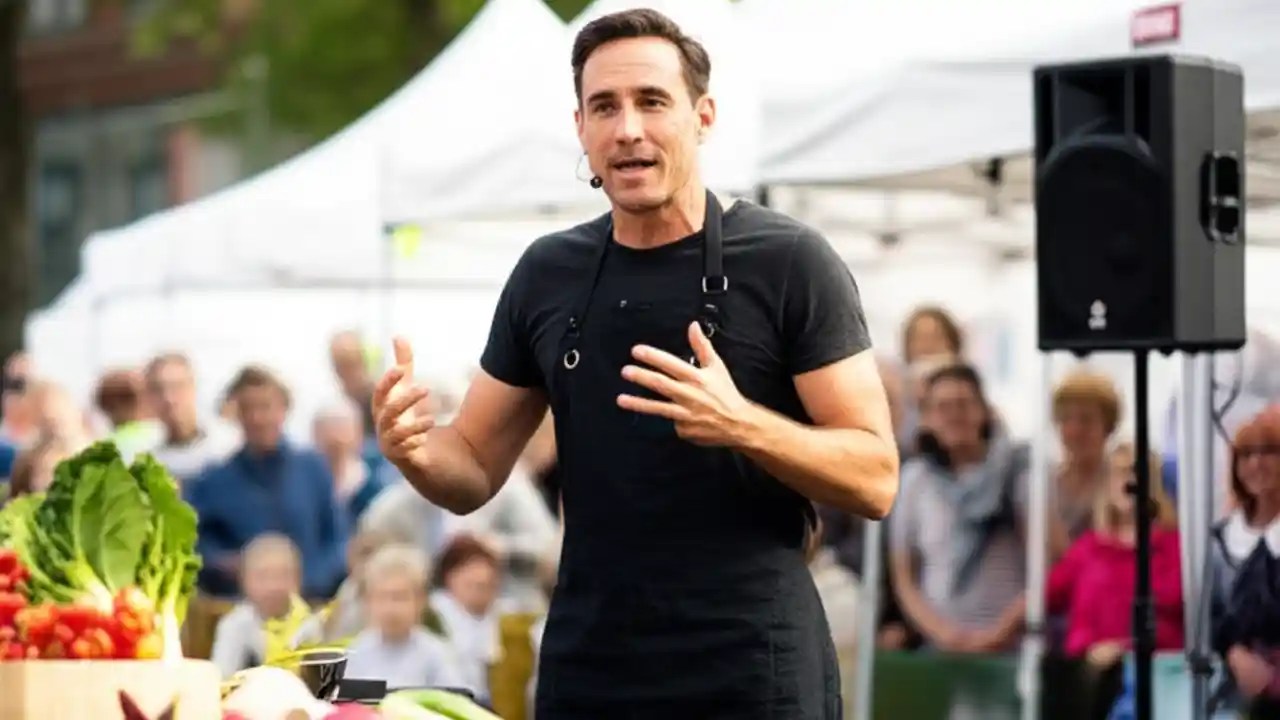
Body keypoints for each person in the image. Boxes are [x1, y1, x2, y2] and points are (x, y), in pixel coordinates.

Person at [372, 9, 897, 718]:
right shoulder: (546, 273)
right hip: (592, 666)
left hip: (752, 667)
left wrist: (742, 424)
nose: (628, 129)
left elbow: (875, 477)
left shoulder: (788, 263)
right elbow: (470, 467)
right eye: (604, 107)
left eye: (652, 102)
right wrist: (413, 448)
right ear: (581, 128)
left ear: (701, 117)